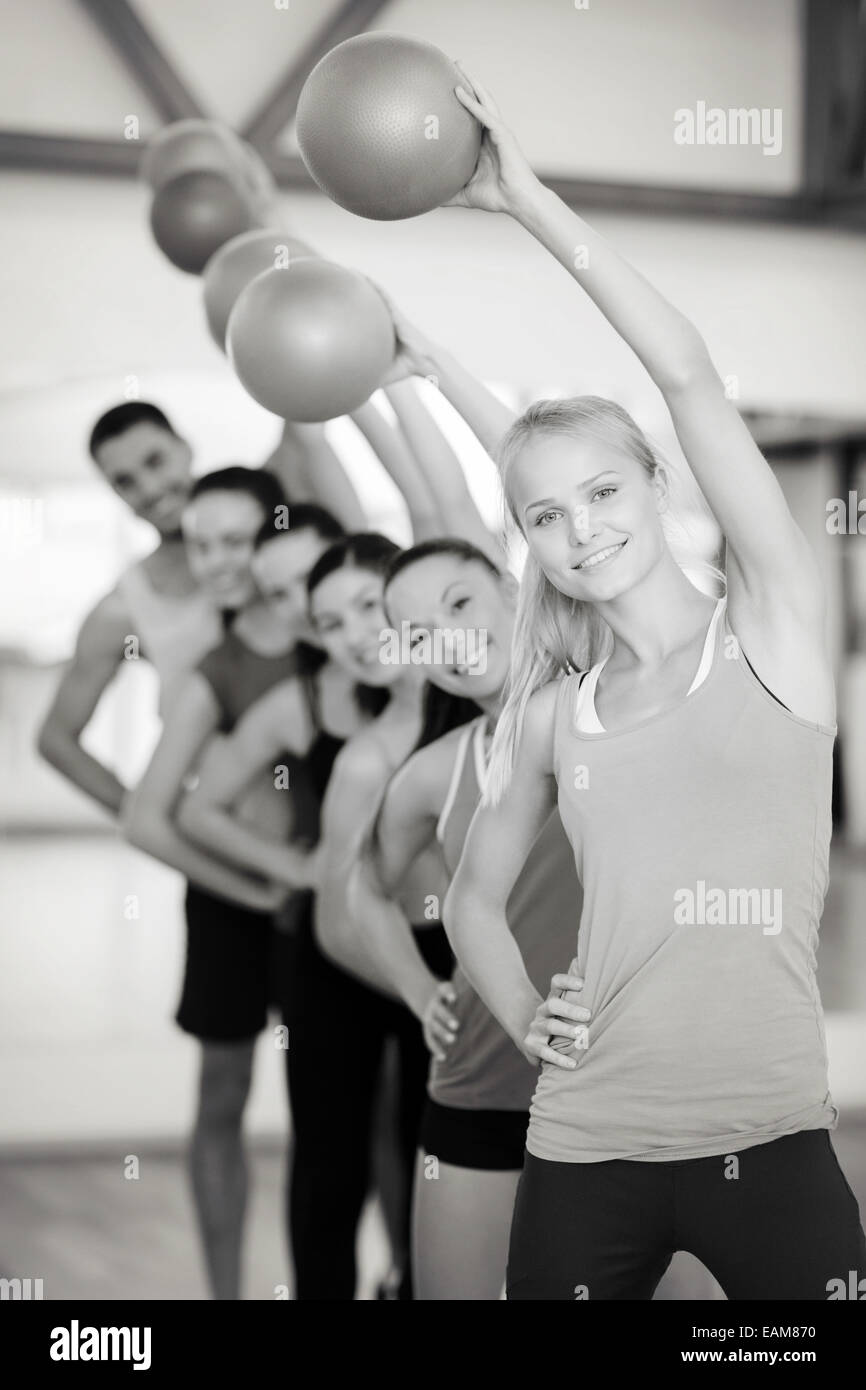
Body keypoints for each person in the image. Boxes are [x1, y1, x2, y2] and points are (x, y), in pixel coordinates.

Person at [440, 68, 866, 1300]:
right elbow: (470, 900)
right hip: (582, 1144)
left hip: (772, 1140)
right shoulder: (546, 714)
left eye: (602, 492)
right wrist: (523, 1016)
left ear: (655, 487)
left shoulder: (773, 629)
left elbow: (683, 375)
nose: (579, 529)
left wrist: (530, 205)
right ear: (527, 539)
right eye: (545, 514)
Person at [343, 537, 578, 1299]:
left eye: (460, 603)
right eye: (418, 632)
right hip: (483, 1088)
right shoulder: (433, 773)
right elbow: (365, 886)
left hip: (632, 1086)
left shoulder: (614, 714)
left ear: (515, 591)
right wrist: (418, 992)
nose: (446, 636)